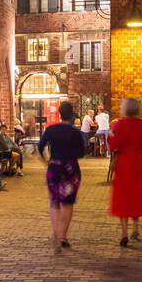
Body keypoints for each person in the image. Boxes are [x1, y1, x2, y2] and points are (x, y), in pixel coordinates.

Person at [39, 100, 85, 252]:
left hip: (55, 167)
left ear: (59, 113)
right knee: (67, 203)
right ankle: (63, 236)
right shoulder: (75, 132)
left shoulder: (51, 130)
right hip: (71, 169)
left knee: (54, 201)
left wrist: (46, 160)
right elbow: (81, 152)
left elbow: (41, 146)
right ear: (72, 115)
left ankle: (56, 233)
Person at [107, 97, 142, 246]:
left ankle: (124, 233)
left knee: (124, 197)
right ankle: (136, 227)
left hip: (124, 164)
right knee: (136, 195)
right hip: (139, 164)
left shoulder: (119, 126)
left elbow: (114, 145)